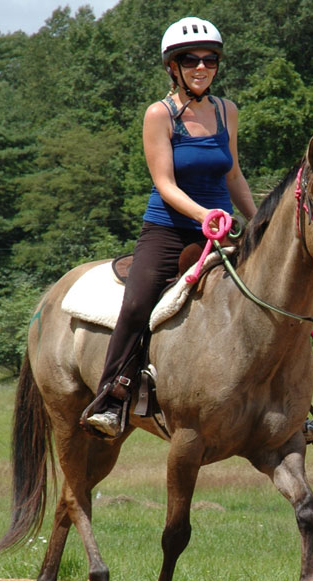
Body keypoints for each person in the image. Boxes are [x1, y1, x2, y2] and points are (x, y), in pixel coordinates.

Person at [85, 17, 257, 438]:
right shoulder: (158, 115)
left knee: (267, 294)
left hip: (220, 229)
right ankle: (111, 396)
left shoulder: (226, 111)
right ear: (172, 67)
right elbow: (164, 183)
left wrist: (258, 222)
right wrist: (204, 216)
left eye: (210, 59)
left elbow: (233, 175)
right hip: (169, 231)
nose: (202, 67)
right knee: (137, 304)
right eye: (191, 59)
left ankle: (291, 402)